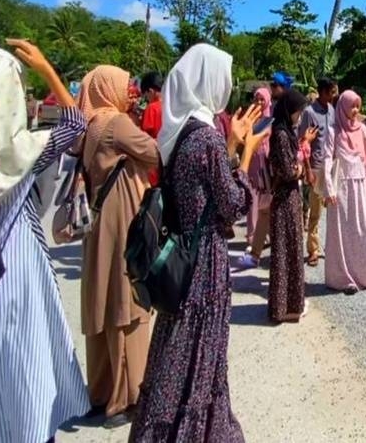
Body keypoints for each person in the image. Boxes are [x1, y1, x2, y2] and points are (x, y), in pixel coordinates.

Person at [129, 44, 267, 442]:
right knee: (201, 350)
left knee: (177, 348)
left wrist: (229, 145)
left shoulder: (180, 131)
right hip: (203, 262)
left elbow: (199, 193)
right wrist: (245, 152)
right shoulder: (206, 137)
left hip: (184, 254)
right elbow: (231, 206)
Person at [0, 40, 90, 443]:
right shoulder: (21, 151)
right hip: (15, 280)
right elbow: (75, 125)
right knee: (23, 379)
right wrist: (48, 69)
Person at [76, 65, 160, 427]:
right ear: (108, 88)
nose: (131, 90)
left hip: (100, 221)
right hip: (122, 217)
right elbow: (156, 154)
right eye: (126, 85)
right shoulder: (118, 124)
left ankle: (100, 390)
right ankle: (125, 399)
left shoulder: (91, 123)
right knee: (126, 302)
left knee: (103, 299)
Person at [323, 90, 366, 294]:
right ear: (342, 107)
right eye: (351, 106)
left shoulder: (361, 129)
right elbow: (327, 159)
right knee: (342, 233)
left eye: (357, 106)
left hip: (359, 185)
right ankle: (343, 278)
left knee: (363, 229)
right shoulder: (333, 130)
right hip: (340, 188)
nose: (355, 110)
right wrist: (329, 187)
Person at [268, 88, 313, 322]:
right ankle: (286, 308)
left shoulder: (283, 131)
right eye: (297, 111)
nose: (299, 115)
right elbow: (287, 170)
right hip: (286, 199)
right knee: (288, 251)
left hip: (288, 198)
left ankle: (285, 306)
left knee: (289, 251)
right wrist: (297, 170)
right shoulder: (282, 135)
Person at [299, 77, 338, 266]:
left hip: (330, 168)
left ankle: (331, 247)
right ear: (322, 92)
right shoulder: (309, 113)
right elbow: (303, 142)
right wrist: (307, 170)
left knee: (331, 209)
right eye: (331, 92)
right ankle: (313, 249)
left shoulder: (332, 111)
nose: (333, 95)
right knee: (315, 212)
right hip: (315, 167)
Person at [238, 87, 274, 270]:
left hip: (266, 164)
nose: (259, 103)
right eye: (256, 99)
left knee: (266, 202)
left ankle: (264, 237)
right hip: (252, 161)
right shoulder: (250, 118)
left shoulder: (271, 118)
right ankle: (252, 238)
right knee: (251, 198)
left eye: (262, 99)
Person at [139, 71, 164, 140]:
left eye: (146, 96)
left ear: (150, 91)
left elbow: (144, 136)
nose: (146, 100)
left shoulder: (151, 108)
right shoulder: (170, 104)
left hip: (154, 147)